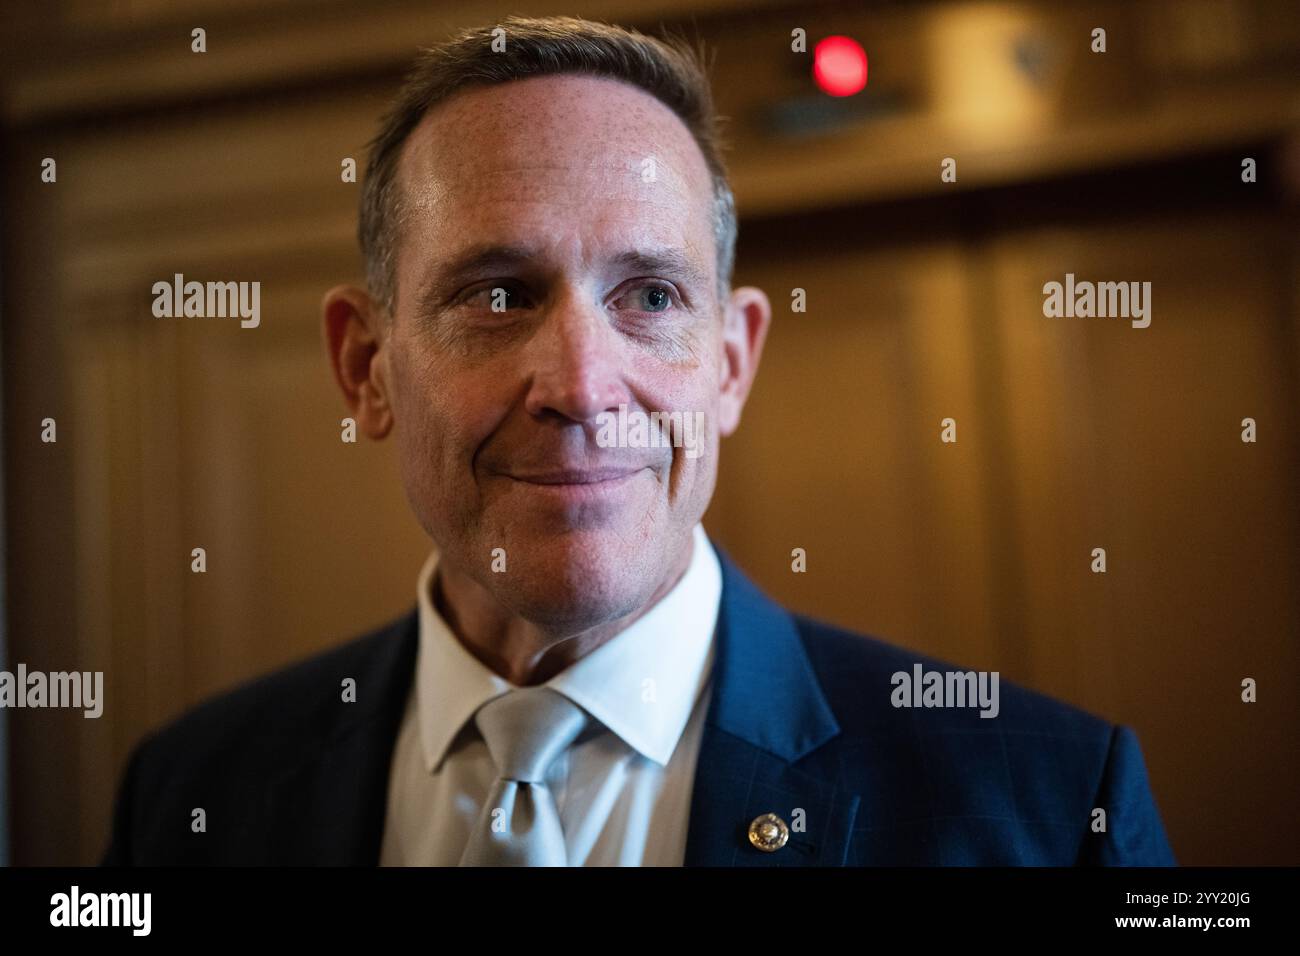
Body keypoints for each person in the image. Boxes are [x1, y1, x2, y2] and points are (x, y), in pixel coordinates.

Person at [101, 15, 1175, 866]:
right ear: (365, 367)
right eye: (497, 294)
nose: (577, 384)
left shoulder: (1048, 805)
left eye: (651, 293)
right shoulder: (191, 794)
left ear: (729, 363)